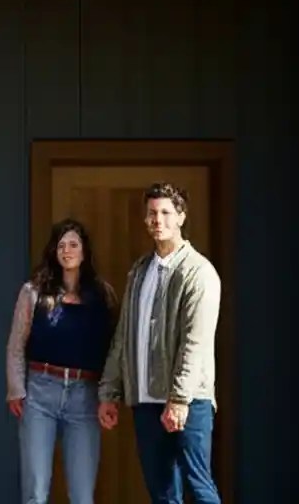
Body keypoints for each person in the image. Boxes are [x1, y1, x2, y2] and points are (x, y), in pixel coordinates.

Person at [97, 182, 223, 504]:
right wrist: (110, 392)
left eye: (166, 212)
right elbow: (124, 336)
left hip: (189, 401)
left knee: (199, 485)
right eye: (152, 213)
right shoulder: (140, 271)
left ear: (181, 216)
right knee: (163, 492)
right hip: (146, 400)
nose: (158, 220)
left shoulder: (198, 272)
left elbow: (195, 341)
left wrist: (179, 399)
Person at [6, 218, 117, 504]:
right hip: (41, 392)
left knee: (82, 495)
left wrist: (109, 395)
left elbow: (112, 350)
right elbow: (17, 344)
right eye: (61, 245)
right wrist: (16, 388)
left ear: (84, 251)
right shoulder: (34, 292)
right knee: (35, 492)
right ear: (53, 251)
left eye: (74, 245)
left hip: (85, 396)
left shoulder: (102, 295)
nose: (67, 251)